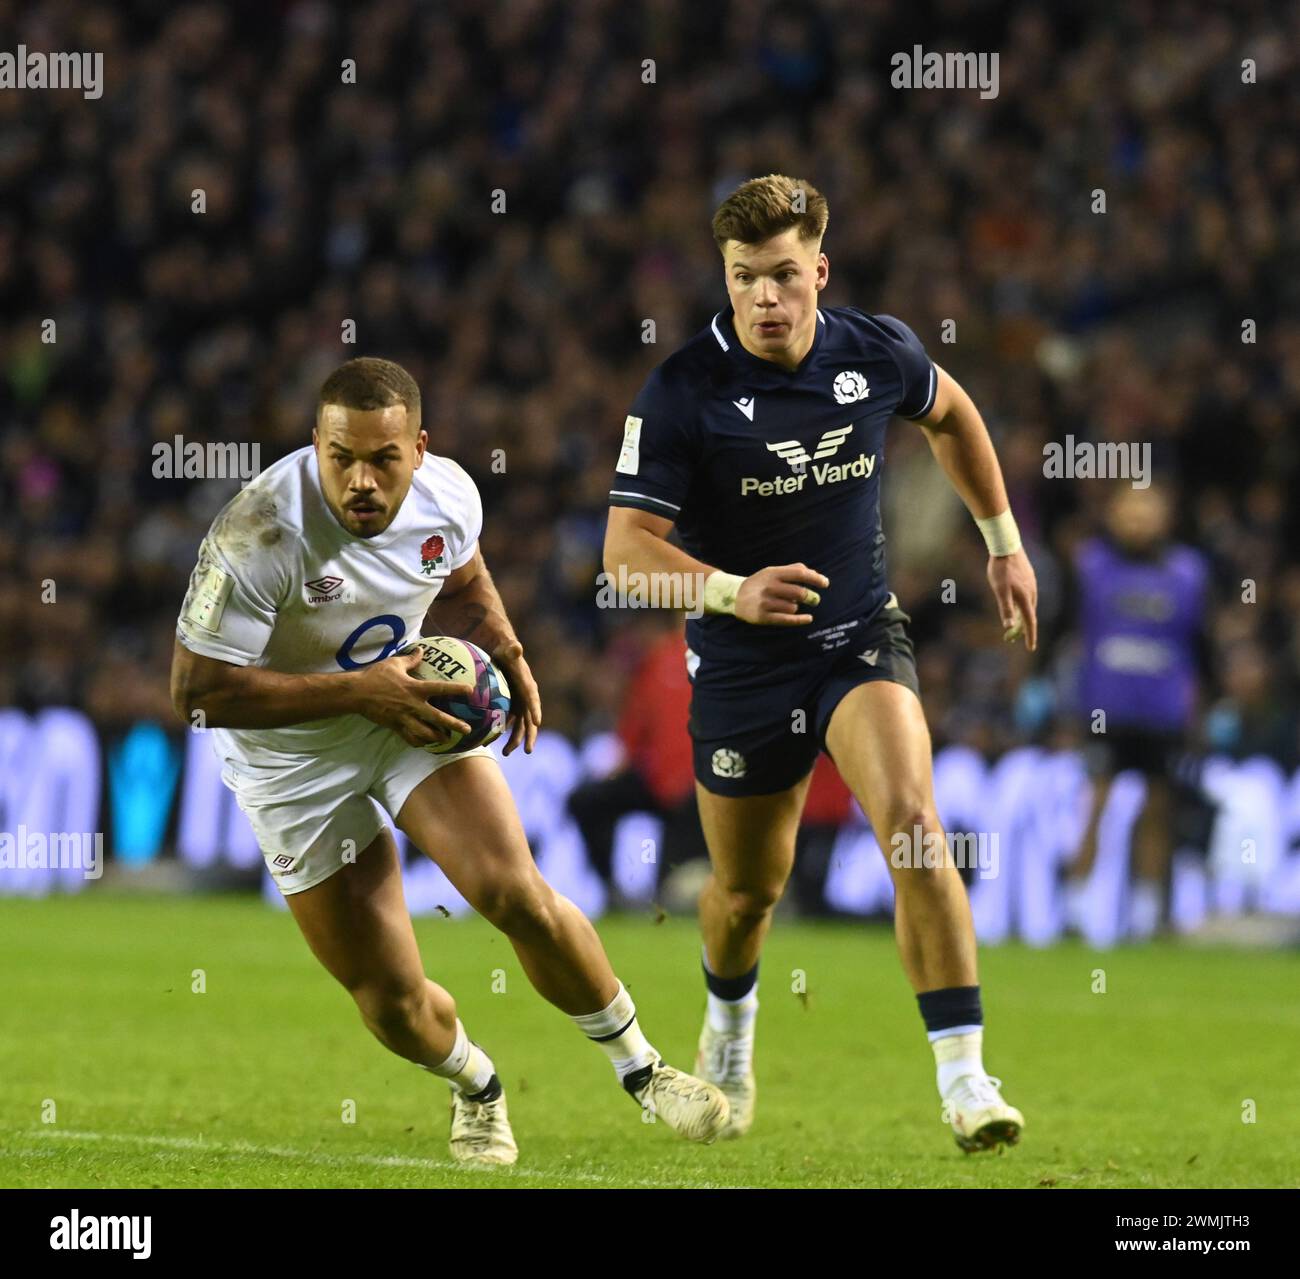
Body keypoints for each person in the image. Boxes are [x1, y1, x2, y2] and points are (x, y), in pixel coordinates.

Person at [169, 357, 728, 1168]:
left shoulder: (450, 496)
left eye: (383, 459)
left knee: (516, 894)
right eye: (342, 457)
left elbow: (461, 574)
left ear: (419, 450)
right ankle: (476, 1084)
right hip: (288, 761)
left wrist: (504, 643)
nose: (361, 480)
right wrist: (359, 692)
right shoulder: (258, 533)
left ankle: (644, 1069)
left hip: (408, 712)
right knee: (391, 1003)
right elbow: (197, 691)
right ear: (315, 445)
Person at [603, 175, 1036, 1151]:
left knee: (915, 826)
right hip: (742, 663)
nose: (764, 296)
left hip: (855, 639)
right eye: (744, 277)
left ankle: (966, 1080)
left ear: (819, 273)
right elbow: (624, 554)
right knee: (747, 893)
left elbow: (955, 415)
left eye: (784, 276)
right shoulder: (681, 388)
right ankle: (728, 1028)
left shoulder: (874, 349)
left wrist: (1002, 543)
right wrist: (729, 589)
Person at [1065, 484, 1211, 938]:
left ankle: (1148, 913)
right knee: (1096, 804)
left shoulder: (1188, 573)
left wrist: (1201, 709)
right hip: (1105, 710)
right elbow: (1065, 634)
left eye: (1148, 512)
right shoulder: (1091, 566)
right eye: (1130, 511)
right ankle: (1076, 907)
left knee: (1157, 809)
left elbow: (1202, 647)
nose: (1138, 521)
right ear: (1113, 516)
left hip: (1162, 713)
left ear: (1165, 518)